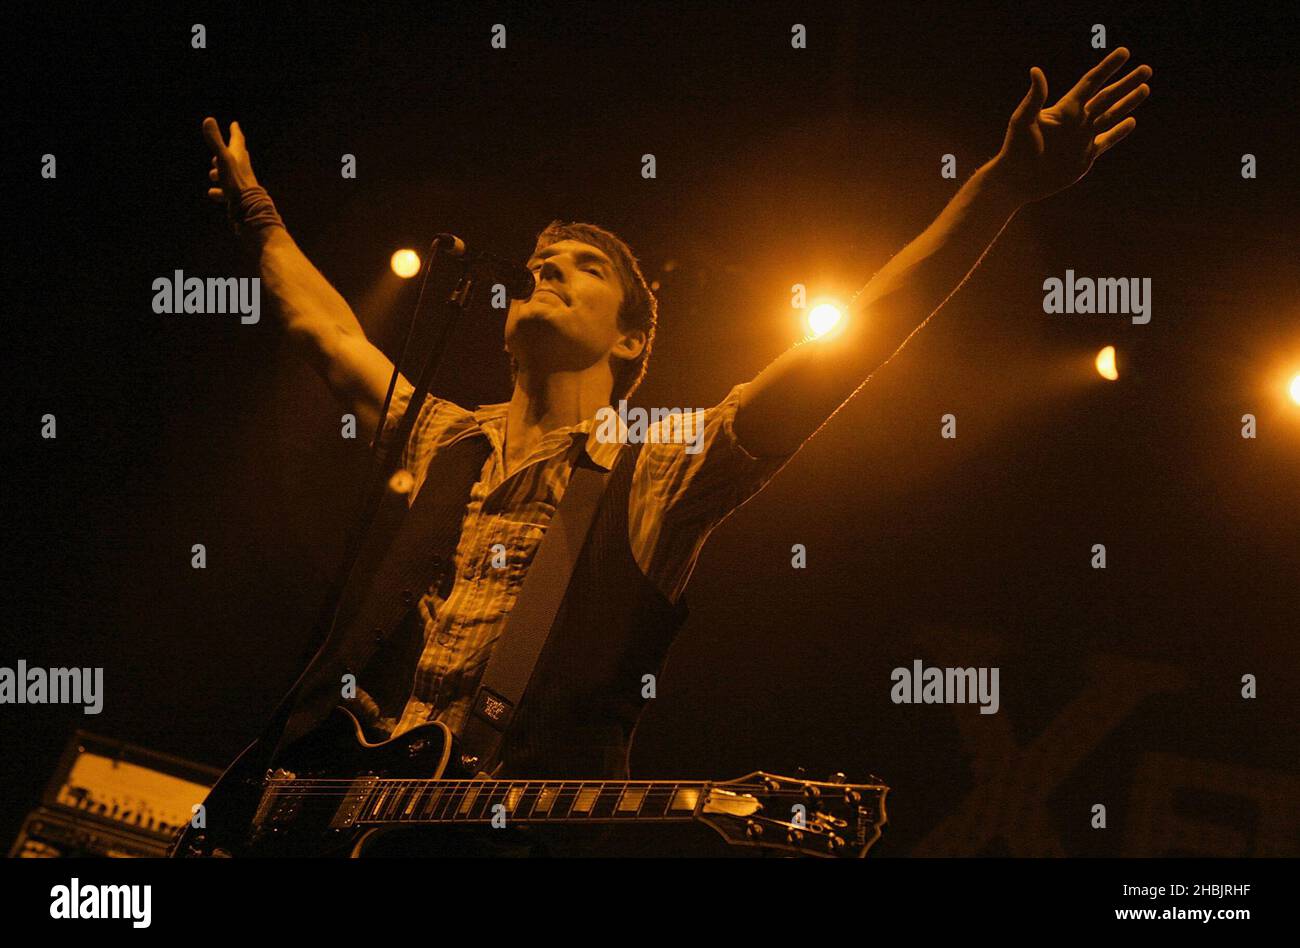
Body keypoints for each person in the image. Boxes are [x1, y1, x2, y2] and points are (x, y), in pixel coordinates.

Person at [199, 49, 1151, 855]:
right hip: (338, 814)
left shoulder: (661, 461)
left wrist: (998, 188)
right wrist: (258, 214)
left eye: (584, 267)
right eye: (540, 259)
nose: (547, 267)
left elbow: (855, 338)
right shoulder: (447, 432)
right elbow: (328, 332)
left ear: (629, 343)